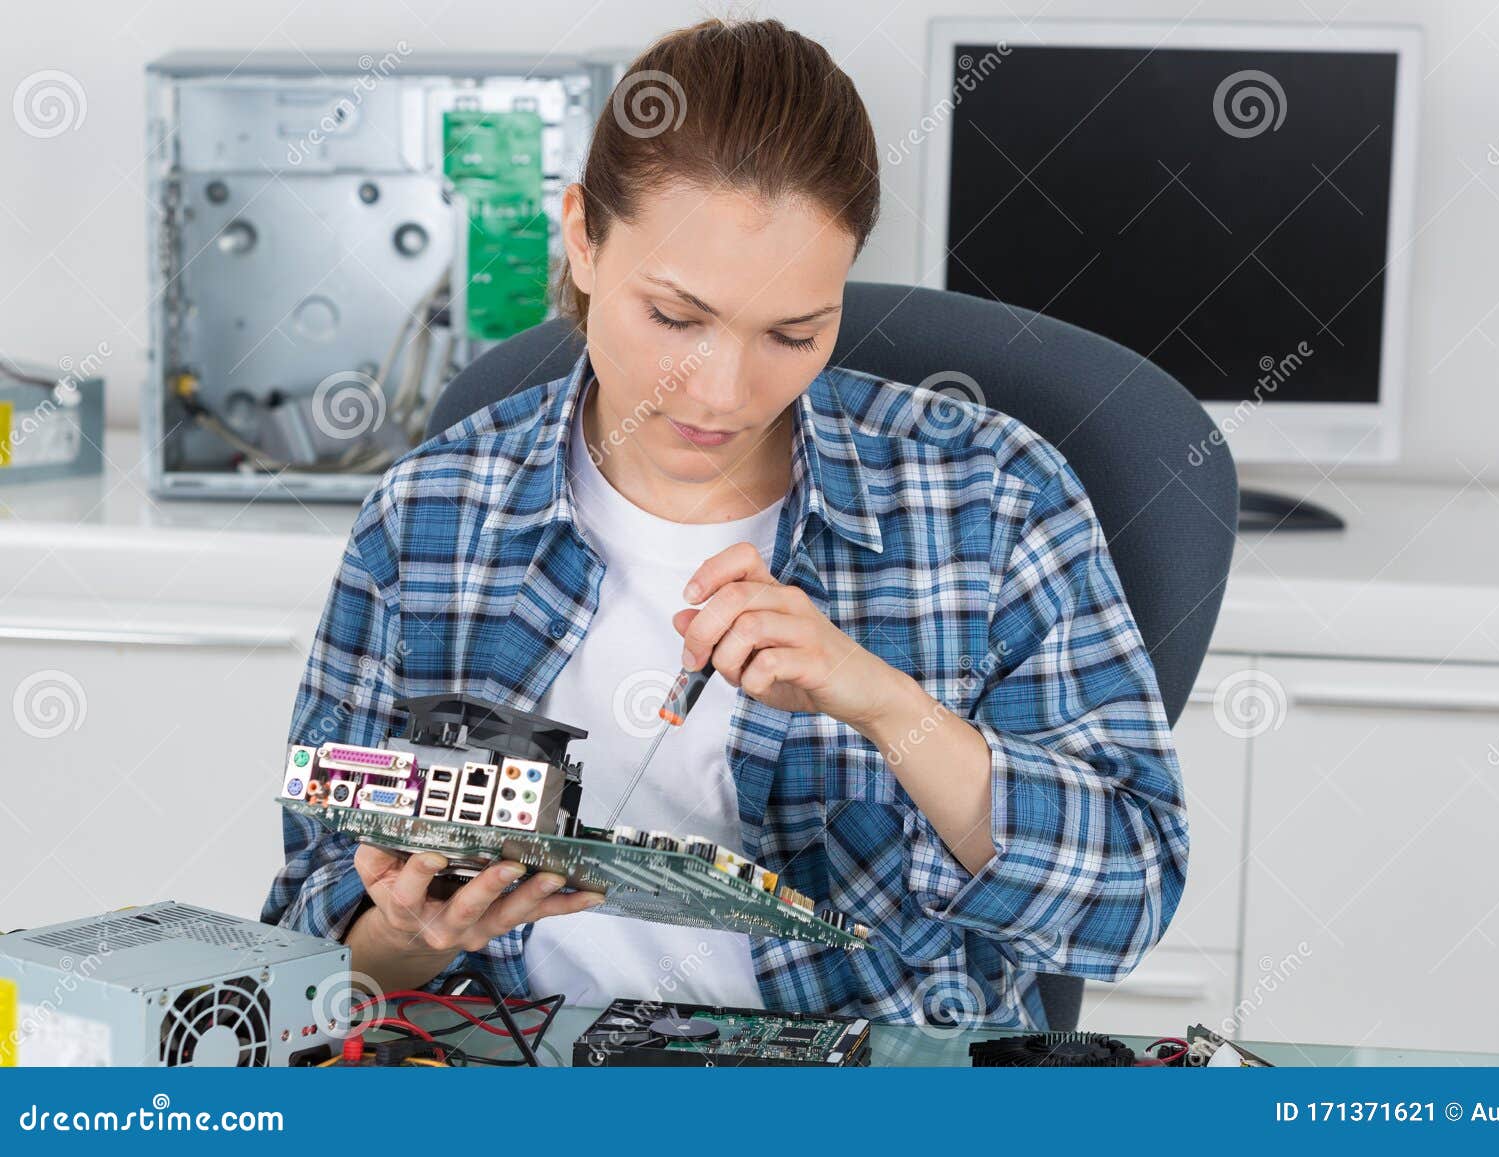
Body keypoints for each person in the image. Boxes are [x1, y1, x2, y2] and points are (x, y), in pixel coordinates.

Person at [262, 16, 1187, 1029]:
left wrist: (884, 703)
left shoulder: (992, 495)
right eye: (675, 317)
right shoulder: (431, 512)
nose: (723, 391)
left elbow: (1128, 901)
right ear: (580, 235)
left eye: (795, 332)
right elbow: (315, 942)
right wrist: (409, 930)